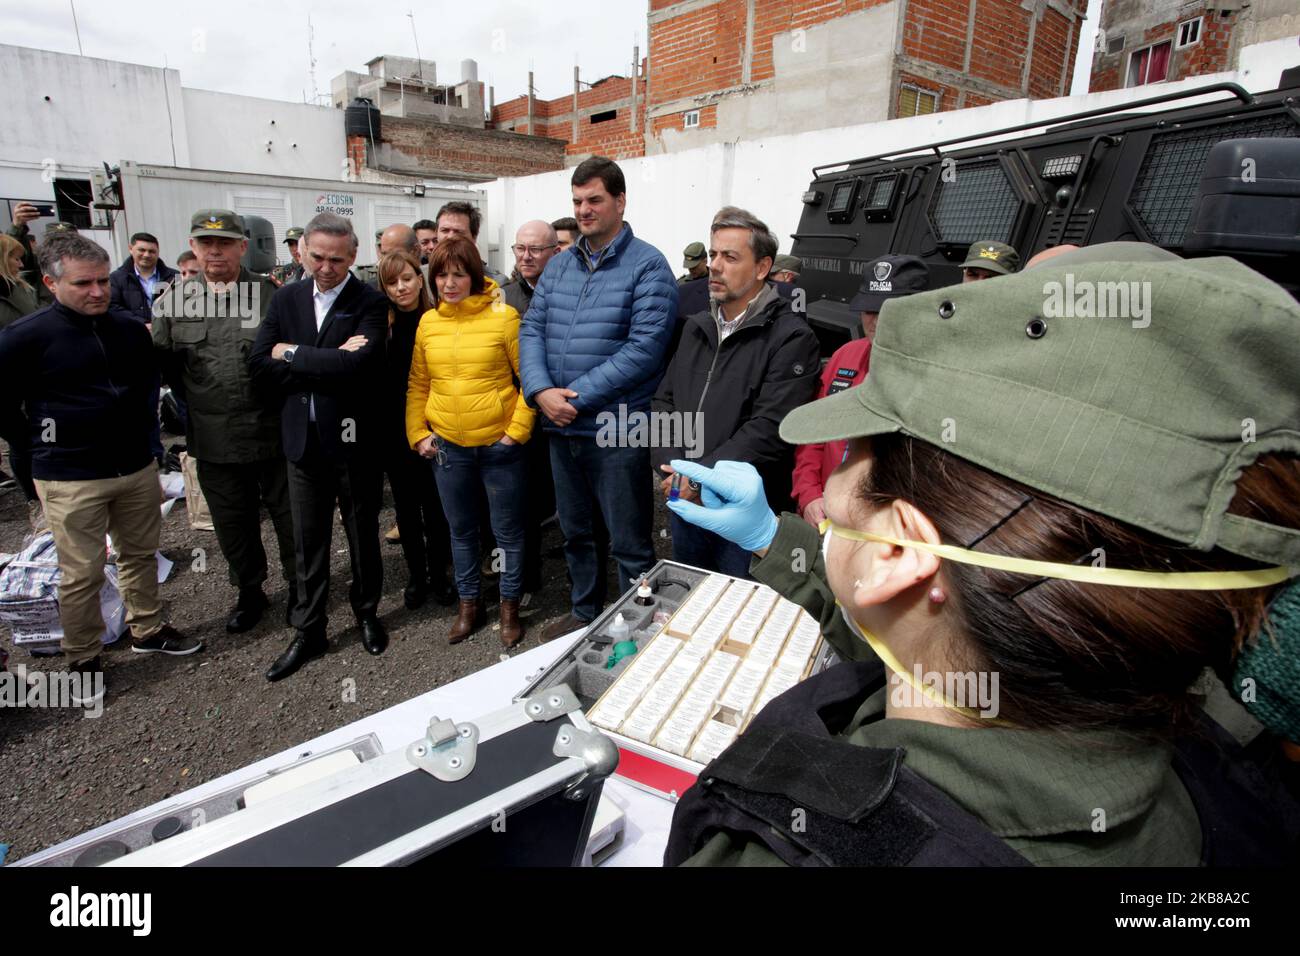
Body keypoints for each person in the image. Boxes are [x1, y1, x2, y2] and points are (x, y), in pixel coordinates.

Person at [661, 242, 1300, 867]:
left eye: (856, 447)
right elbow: (958, 635)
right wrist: (775, 539)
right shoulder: (1188, 725)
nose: (838, 465)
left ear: (894, 549)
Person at [0, 235, 202, 703]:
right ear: (50, 283)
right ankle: (83, 657)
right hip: (69, 474)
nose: (97, 292)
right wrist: (36, 443)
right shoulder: (23, 338)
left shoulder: (128, 329)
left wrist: (148, 450)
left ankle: (147, 630)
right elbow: (5, 406)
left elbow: (148, 387)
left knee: (138, 553)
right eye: (82, 284)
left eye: (101, 281)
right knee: (81, 572)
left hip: (132, 467)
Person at [519, 156, 678, 642]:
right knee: (576, 531)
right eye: (577, 201)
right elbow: (533, 329)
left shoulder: (648, 265)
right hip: (560, 425)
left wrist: (575, 398)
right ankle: (584, 613)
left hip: (616, 427)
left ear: (620, 201)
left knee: (629, 541)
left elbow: (645, 349)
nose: (584, 210)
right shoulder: (560, 265)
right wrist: (540, 391)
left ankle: (639, 629)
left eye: (594, 200)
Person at [249, 212, 389, 682]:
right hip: (302, 441)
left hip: (353, 440)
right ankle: (310, 628)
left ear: (353, 257)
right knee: (308, 540)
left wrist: (290, 353)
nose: (326, 267)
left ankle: (367, 612)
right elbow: (258, 363)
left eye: (336, 259)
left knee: (361, 534)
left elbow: (363, 367)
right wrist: (327, 360)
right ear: (302, 251)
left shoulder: (369, 300)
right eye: (317, 257)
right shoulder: (285, 296)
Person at [152, 209, 297, 634]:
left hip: (272, 432)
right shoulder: (174, 301)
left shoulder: (272, 296)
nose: (215, 251)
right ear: (194, 247)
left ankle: (299, 586)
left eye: (225, 243)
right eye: (205, 243)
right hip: (214, 437)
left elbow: (293, 357)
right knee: (233, 522)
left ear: (242, 246)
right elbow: (167, 367)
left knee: (290, 517)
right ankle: (249, 590)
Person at [653, 207, 820, 577]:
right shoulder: (695, 327)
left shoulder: (791, 337)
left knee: (739, 607)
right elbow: (664, 403)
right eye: (713, 255)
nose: (714, 265)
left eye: (729, 257)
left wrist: (697, 477)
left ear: (762, 268)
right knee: (691, 593)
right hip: (686, 500)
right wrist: (673, 469)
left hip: (744, 512)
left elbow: (769, 427)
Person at [406, 237, 534, 646]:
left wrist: (516, 432)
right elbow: (417, 384)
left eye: (458, 274)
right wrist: (418, 434)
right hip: (448, 447)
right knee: (460, 532)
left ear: (475, 275)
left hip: (500, 449)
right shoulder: (429, 323)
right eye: (440, 274)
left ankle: (510, 608)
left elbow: (529, 380)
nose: (448, 283)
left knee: (508, 533)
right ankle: (469, 606)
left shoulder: (505, 317)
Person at [792, 255, 928, 527]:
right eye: (869, 310)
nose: (876, 321)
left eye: (888, 310)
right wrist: (808, 496)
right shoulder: (845, 356)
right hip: (824, 518)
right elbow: (814, 435)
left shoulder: (936, 375)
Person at [376, 248, 455, 610]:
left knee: (437, 509)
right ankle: (416, 576)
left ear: (419, 278)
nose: (400, 287)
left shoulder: (437, 319)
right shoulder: (382, 326)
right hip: (394, 431)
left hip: (435, 426)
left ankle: (441, 575)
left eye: (406, 278)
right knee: (406, 511)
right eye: (391, 282)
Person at [500, 221, 561, 593]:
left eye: (535, 249)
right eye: (519, 248)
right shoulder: (503, 298)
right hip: (517, 413)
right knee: (519, 502)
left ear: (554, 252)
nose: (525, 256)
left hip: (560, 408)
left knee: (558, 496)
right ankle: (524, 575)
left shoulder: (568, 292)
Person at [436, 201, 508, 285]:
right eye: (445, 230)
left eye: (458, 232)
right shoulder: (423, 278)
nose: (450, 237)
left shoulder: (497, 284)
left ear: (474, 236)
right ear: (436, 233)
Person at [110, 232, 176, 324]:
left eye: (152, 251)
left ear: (158, 252)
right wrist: (141, 324)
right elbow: (113, 307)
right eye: (142, 250)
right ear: (130, 249)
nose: (146, 255)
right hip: (134, 334)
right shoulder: (116, 278)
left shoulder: (175, 277)